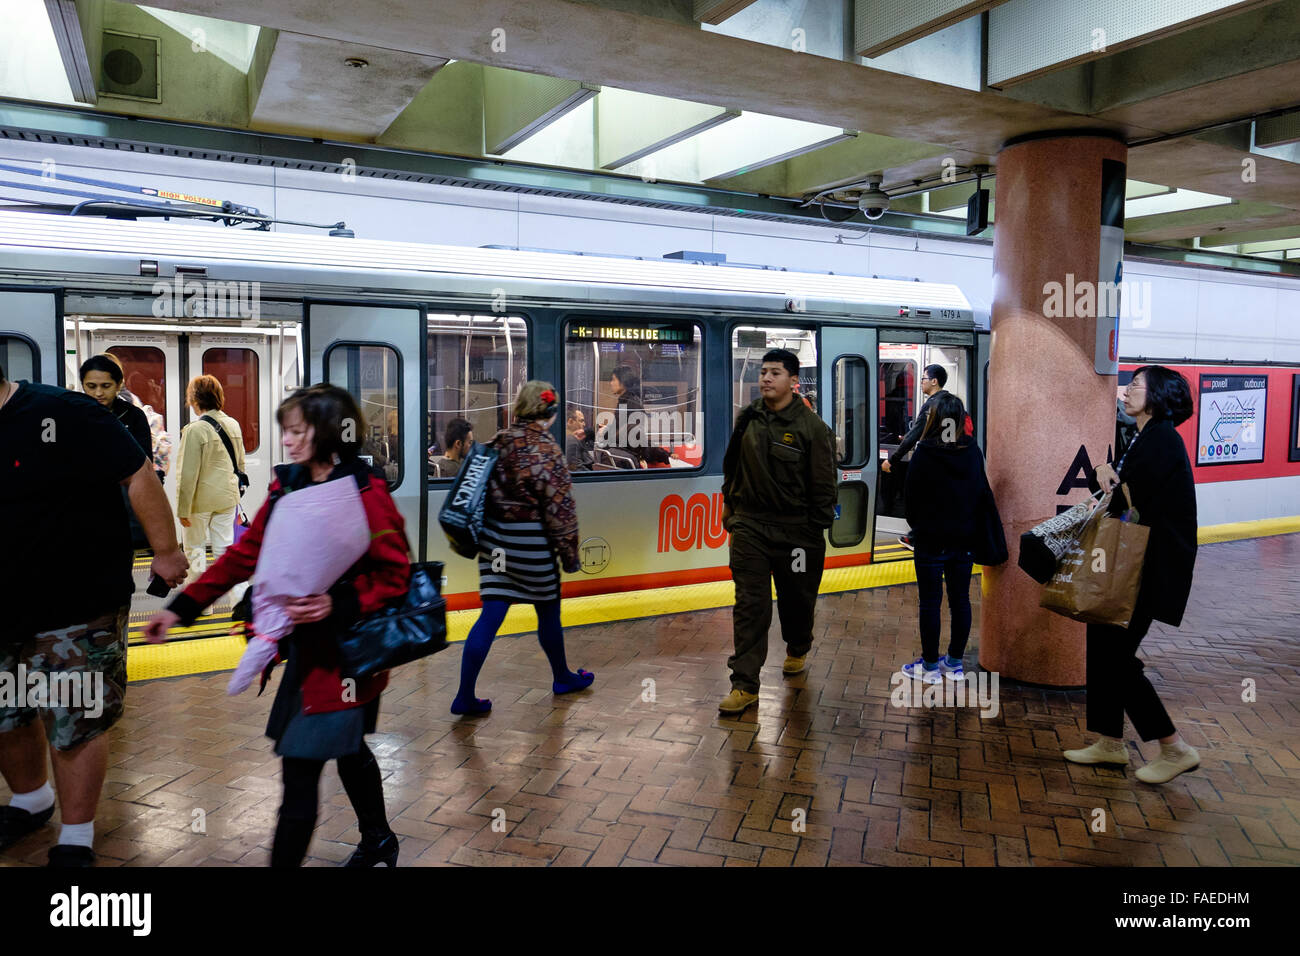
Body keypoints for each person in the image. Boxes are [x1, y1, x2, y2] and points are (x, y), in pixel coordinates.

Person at [144, 384, 411, 866]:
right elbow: (247, 554)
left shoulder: (366, 492)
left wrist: (339, 601)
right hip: (304, 652)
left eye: (297, 431)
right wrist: (181, 608)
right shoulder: (290, 486)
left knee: (300, 773)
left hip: (345, 658)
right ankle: (379, 839)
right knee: (348, 749)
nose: (286, 441)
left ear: (329, 430)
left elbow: (397, 576)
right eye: (285, 431)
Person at [0, 362, 188, 867]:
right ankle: (30, 802)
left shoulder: (63, 412)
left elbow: (137, 473)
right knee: (9, 712)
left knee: (75, 718)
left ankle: (77, 835)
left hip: (76, 603)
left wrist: (166, 550)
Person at [1062, 366, 1200, 784]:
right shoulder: (1143, 436)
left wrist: (1108, 478)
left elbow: (1132, 501)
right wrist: (1111, 479)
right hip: (1127, 565)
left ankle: (1174, 747)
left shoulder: (1163, 439)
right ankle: (1109, 742)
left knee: (1118, 658)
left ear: (1157, 395)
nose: (1126, 391)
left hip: (1147, 569)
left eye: (1136, 385)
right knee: (1102, 644)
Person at [451, 381, 593, 716]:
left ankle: (464, 695)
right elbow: (561, 510)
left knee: (490, 616)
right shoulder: (547, 450)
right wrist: (569, 555)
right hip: (532, 546)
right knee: (547, 613)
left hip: (495, 546)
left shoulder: (495, 442)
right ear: (551, 413)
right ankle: (561, 677)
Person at [718, 349, 836, 715]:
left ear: (792, 381)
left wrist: (812, 530)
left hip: (797, 534)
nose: (766, 379)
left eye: (775, 373)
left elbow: (824, 487)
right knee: (750, 605)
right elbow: (732, 466)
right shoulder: (748, 419)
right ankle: (745, 684)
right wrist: (732, 512)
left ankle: (798, 646)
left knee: (796, 601)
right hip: (751, 527)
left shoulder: (812, 429)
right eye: (763, 372)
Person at [897, 392, 992, 684]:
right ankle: (953, 663)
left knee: (930, 602)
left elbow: (910, 500)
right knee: (960, 601)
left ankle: (928, 667)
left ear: (934, 419)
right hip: (963, 541)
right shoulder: (972, 450)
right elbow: (980, 494)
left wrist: (922, 527)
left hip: (930, 541)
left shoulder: (925, 452)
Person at [176, 375, 245, 586]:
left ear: (194, 399)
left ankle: (201, 604)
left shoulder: (195, 430)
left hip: (199, 503)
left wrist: (182, 510)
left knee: (195, 550)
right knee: (224, 550)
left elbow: (187, 475)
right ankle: (239, 598)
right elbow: (240, 465)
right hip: (226, 499)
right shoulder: (233, 424)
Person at [81, 354, 153, 549]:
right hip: (83, 510)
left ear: (118, 384)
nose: (98, 393)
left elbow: (143, 463)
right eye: (91, 386)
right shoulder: (73, 415)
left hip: (124, 510)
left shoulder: (133, 416)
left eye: (106, 386)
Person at [609, 364, 648, 467]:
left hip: (626, 457)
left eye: (613, 380)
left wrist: (609, 435)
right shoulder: (624, 401)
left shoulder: (632, 403)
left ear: (623, 382)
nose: (611, 383)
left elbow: (634, 432)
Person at [565, 407, 594, 471]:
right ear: (570, 422)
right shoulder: (571, 440)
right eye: (581, 421)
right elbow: (577, 469)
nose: (584, 424)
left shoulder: (577, 438)